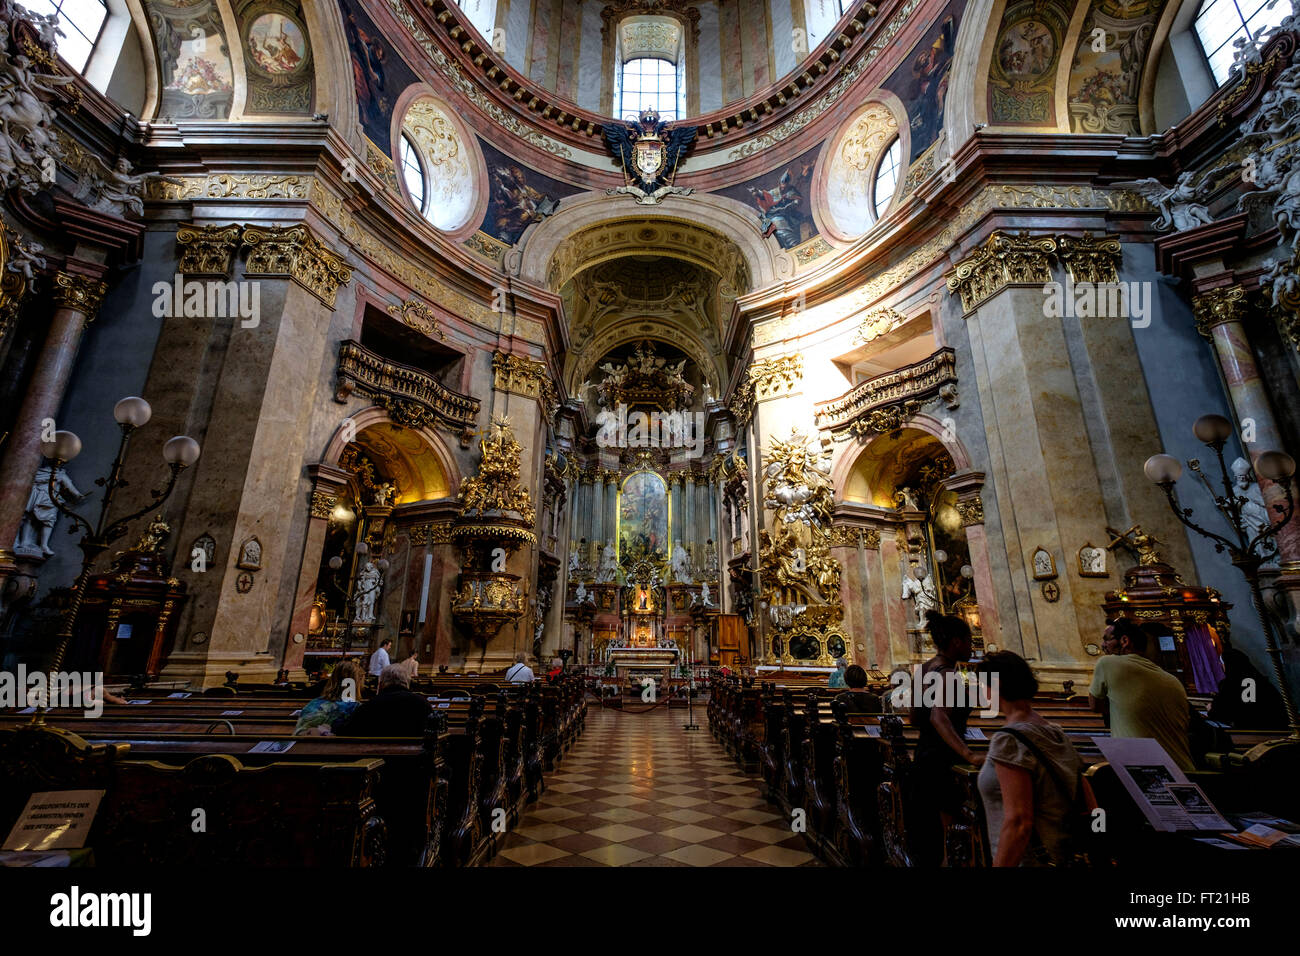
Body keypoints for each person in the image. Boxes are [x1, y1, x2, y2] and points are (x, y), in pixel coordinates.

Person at [976, 652, 1094, 866]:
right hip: (1064, 855)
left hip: (1028, 860)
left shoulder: (1009, 741)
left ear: (997, 684)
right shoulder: (1056, 733)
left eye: (983, 685)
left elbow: (1019, 822)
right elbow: (1090, 804)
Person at [910, 610, 984, 866]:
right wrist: (968, 754)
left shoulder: (923, 670)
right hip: (944, 760)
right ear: (956, 642)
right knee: (950, 835)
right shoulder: (948, 674)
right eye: (969, 641)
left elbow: (914, 717)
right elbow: (938, 716)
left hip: (924, 753)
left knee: (931, 831)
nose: (971, 647)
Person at [1089, 617, 1195, 771]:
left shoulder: (1108, 663)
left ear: (1124, 641)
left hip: (1150, 772)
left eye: (1106, 640)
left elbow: (1095, 705)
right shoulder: (1172, 680)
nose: (1103, 645)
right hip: (1186, 769)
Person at [335, 663, 432, 736]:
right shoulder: (423, 704)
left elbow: (348, 732)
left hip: (375, 756)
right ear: (407, 683)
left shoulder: (368, 707)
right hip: (416, 756)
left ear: (381, 685)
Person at [1209, 648, 1289, 729]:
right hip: (1278, 727)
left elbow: (1221, 713)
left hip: (1254, 730)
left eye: (1222, 664)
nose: (1222, 666)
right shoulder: (1259, 679)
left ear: (1228, 665)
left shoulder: (1230, 683)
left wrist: (1211, 709)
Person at [294, 660, 363, 735]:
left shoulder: (313, 703)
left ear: (332, 678)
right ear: (357, 683)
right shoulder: (357, 708)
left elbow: (299, 733)